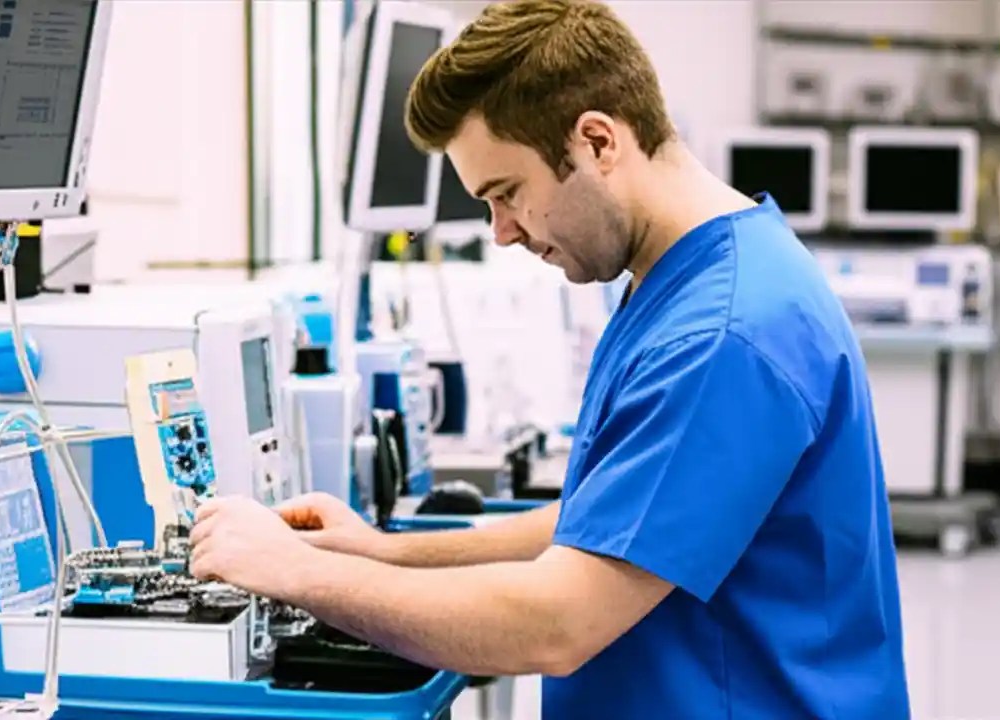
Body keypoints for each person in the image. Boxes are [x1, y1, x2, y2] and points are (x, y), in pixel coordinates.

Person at [189, 0, 911, 717]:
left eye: (507, 194)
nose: (501, 232)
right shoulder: (689, 280)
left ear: (597, 141)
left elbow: (556, 622)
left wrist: (289, 571)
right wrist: (378, 552)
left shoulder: (722, 334)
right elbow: (607, 526)